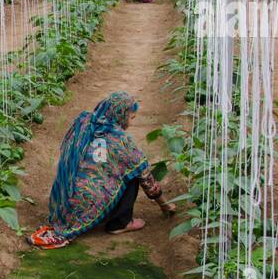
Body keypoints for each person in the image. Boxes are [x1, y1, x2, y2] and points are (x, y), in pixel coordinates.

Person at [28, 91, 176, 250]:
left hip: (65, 201)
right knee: (134, 171)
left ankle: (86, 212)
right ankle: (121, 223)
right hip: (89, 203)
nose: (131, 123)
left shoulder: (83, 122)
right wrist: (165, 205)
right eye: (131, 118)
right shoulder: (120, 140)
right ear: (121, 115)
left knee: (111, 170)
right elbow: (147, 179)